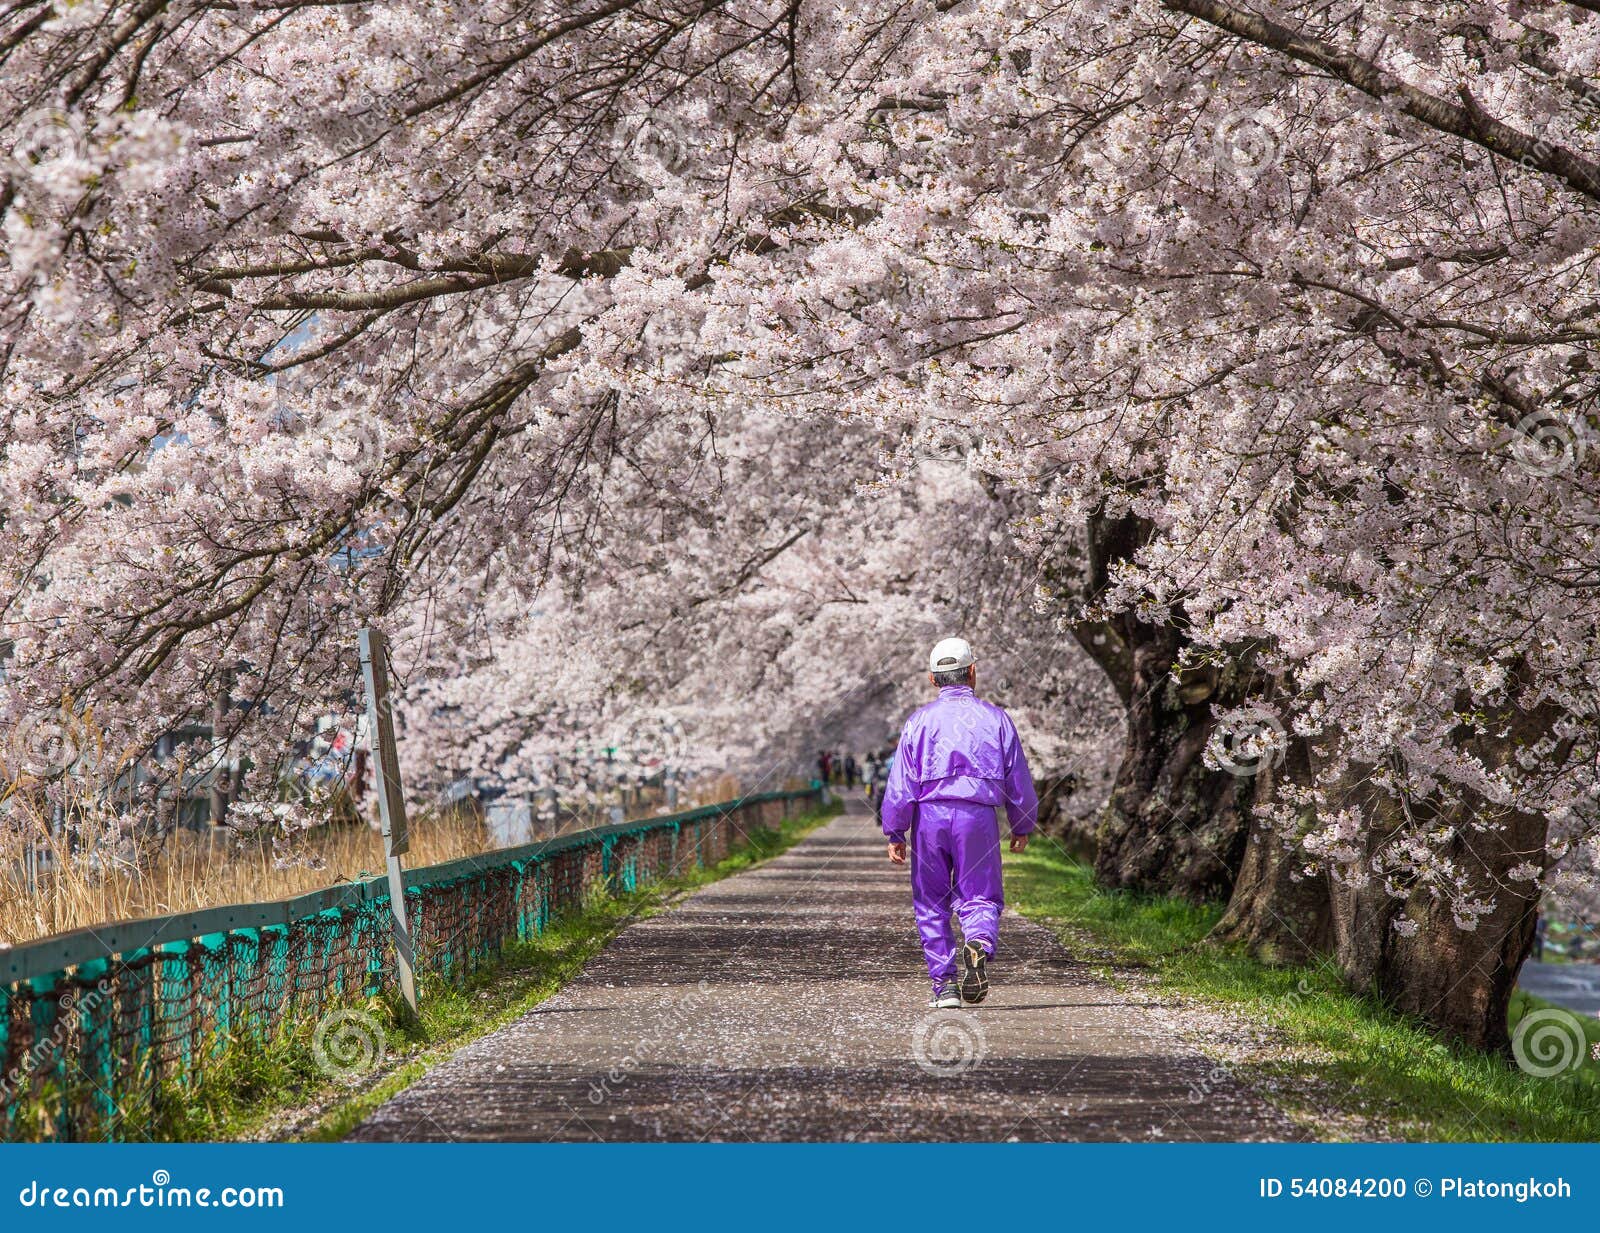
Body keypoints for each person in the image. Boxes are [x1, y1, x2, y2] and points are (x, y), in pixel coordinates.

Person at [881, 637, 1038, 1010]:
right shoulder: (996, 718)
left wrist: (895, 829)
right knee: (979, 894)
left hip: (928, 817)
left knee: (931, 901)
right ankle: (979, 943)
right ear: (972, 672)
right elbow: (1017, 779)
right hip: (978, 817)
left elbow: (900, 783)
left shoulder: (918, 722)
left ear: (933, 679)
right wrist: (1022, 823)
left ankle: (945, 987)